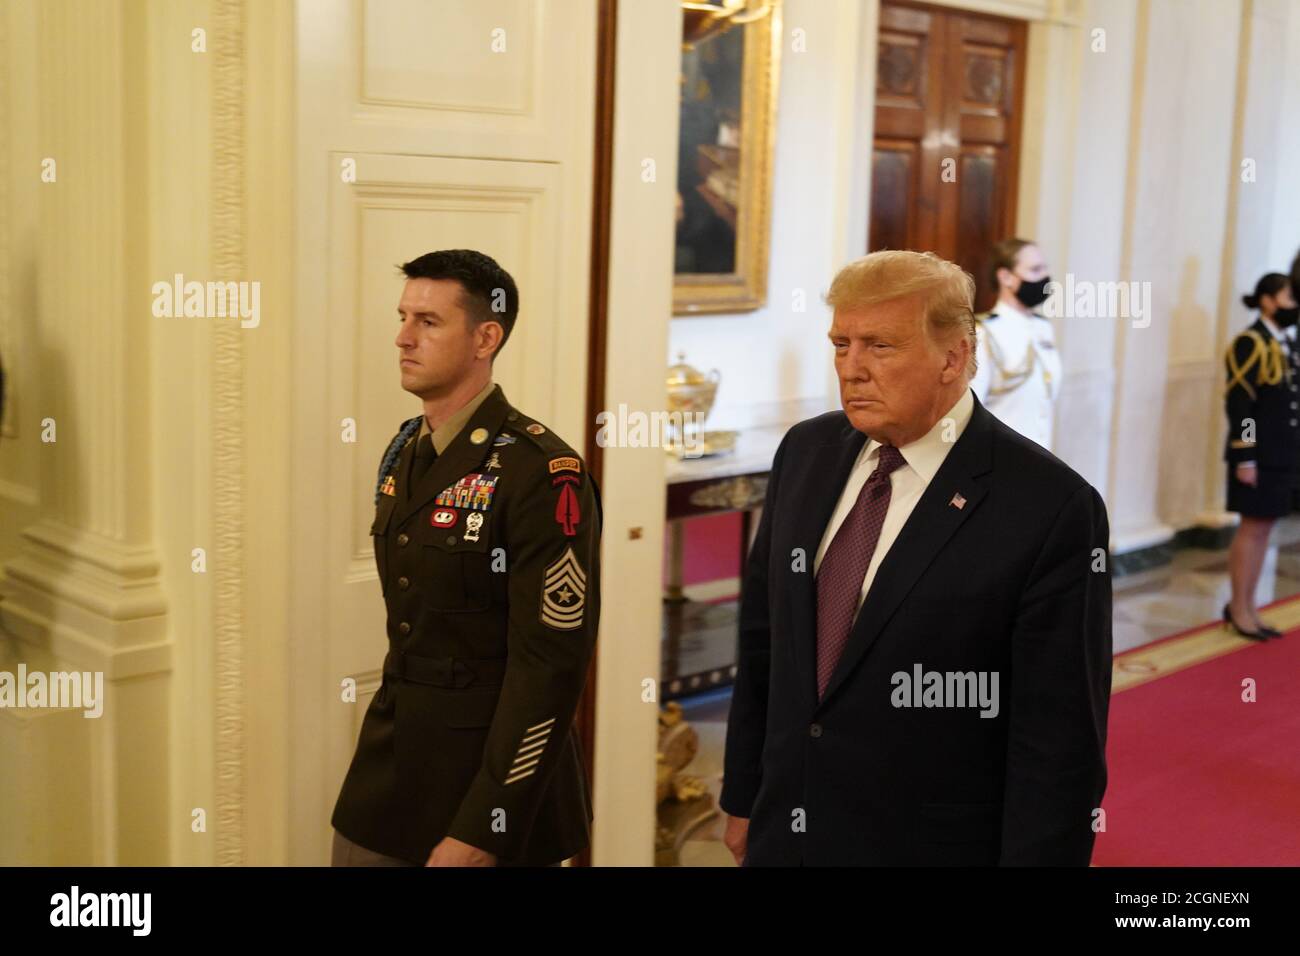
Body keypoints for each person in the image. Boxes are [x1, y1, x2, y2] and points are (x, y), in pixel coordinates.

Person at [721, 250, 1111, 866]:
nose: (851, 369)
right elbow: (765, 642)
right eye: (841, 343)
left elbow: (1060, 741)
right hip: (786, 832)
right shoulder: (807, 451)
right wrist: (744, 793)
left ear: (953, 356)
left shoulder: (1050, 506)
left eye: (879, 346)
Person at [330, 249, 602, 866]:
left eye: (427, 322)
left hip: (488, 783)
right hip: (391, 763)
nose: (402, 338)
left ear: (486, 337)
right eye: (403, 317)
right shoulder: (406, 446)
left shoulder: (542, 473)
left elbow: (549, 670)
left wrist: (486, 827)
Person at [1222, 272, 1299, 640]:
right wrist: (1246, 455)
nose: (1293, 306)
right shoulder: (1251, 342)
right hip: (1258, 456)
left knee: (1265, 530)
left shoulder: (1286, 342)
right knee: (1251, 531)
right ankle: (1239, 607)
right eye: (1287, 298)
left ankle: (1250, 605)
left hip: (1281, 454)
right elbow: (1242, 406)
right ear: (1267, 301)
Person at [970, 238, 1062, 450]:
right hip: (999, 457)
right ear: (1006, 277)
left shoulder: (1043, 327)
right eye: (1035, 270)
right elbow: (971, 408)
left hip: (1041, 456)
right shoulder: (985, 332)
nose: (1044, 278)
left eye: (1044, 269)